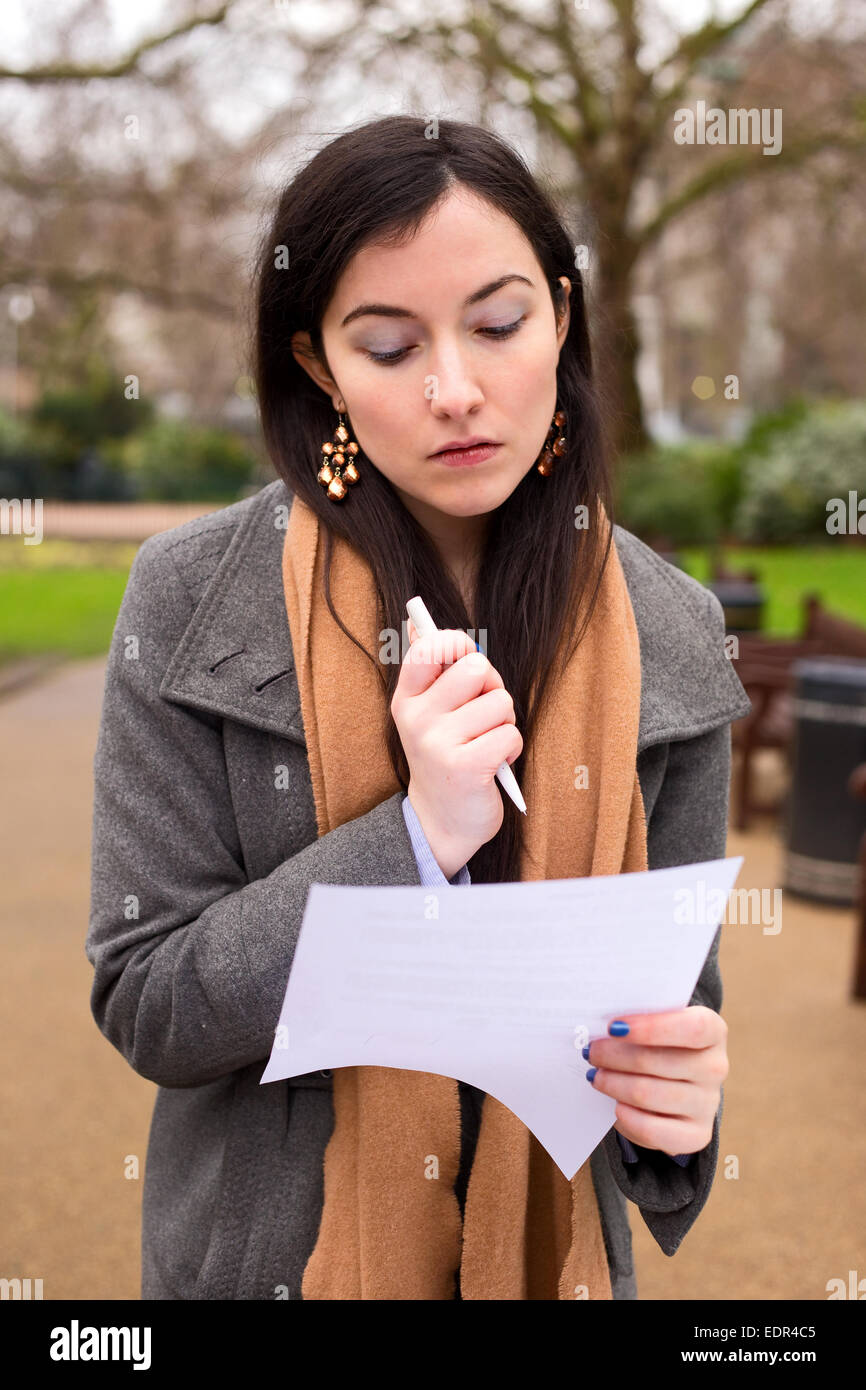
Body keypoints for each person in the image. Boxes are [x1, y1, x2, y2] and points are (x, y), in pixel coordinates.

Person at [86, 114, 751, 1301]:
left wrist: (681, 1112)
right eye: (389, 347)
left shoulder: (672, 629)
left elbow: (673, 1023)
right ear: (315, 366)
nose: (456, 390)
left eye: (498, 325)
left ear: (559, 314)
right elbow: (150, 1002)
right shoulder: (189, 599)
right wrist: (410, 844)